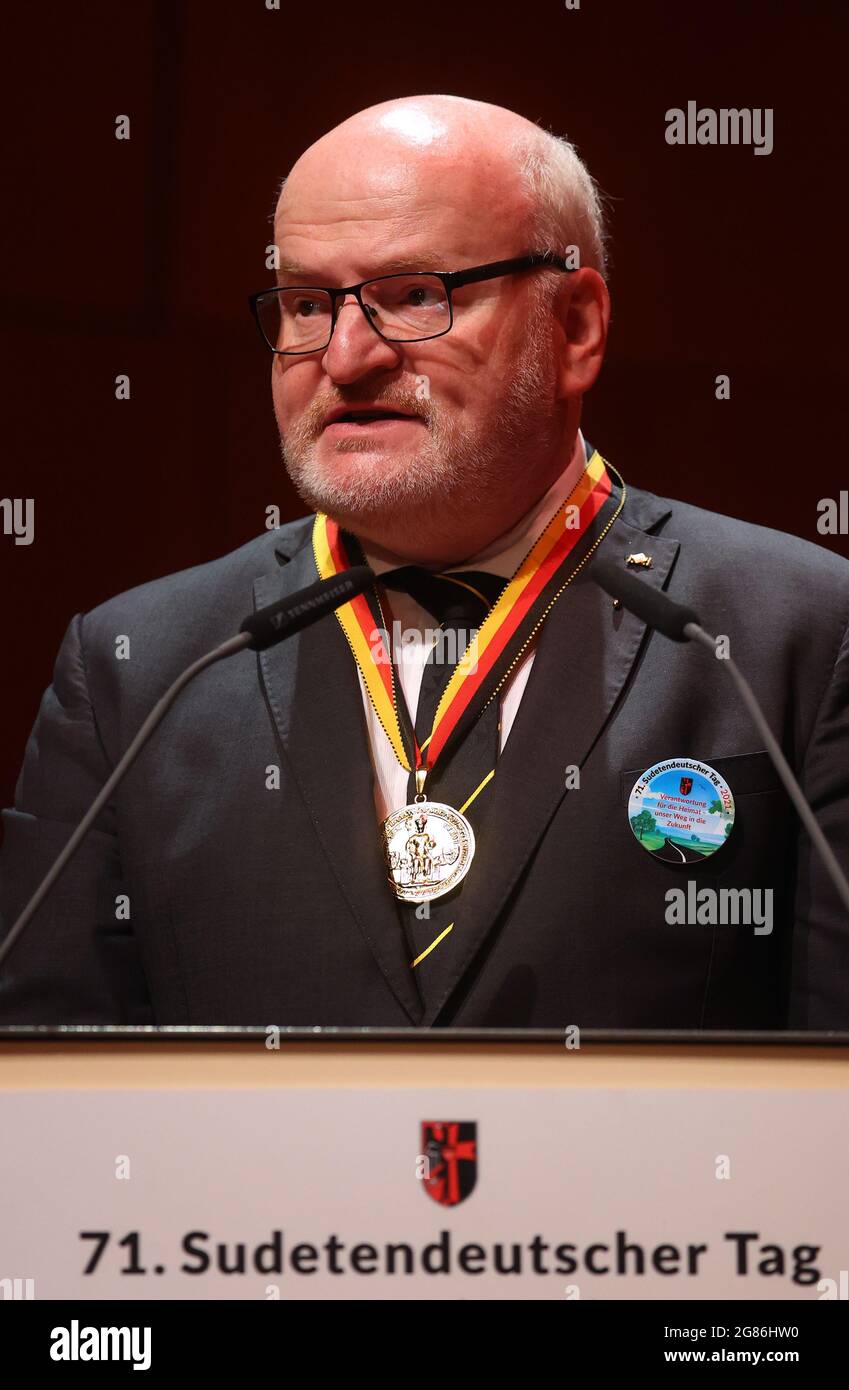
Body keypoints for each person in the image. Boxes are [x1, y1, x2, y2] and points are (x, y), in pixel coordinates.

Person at [1, 94, 847, 1028]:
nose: (347, 357)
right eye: (308, 304)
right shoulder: (138, 668)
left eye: (414, 296)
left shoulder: (797, 634)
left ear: (574, 327)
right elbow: (49, 1096)